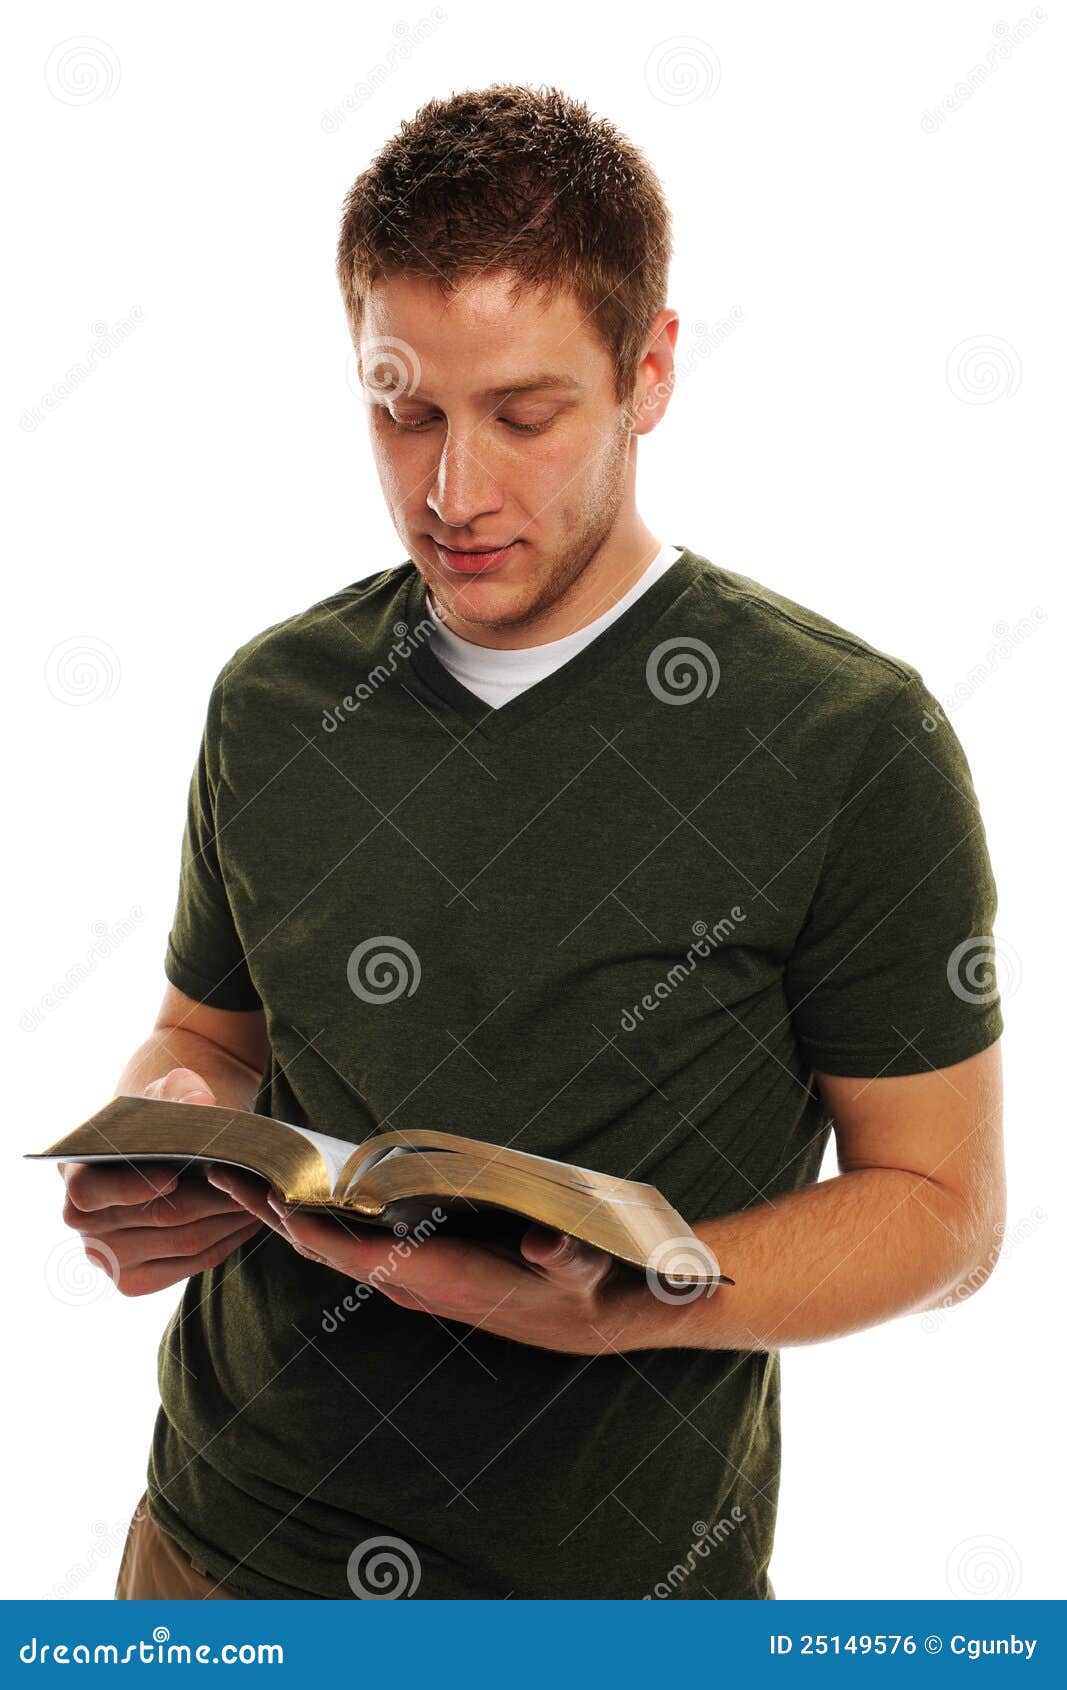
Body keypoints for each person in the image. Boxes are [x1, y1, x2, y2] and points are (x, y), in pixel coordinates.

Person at [59, 84, 1005, 1601]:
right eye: (402, 406)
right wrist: (160, 1137)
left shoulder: (848, 739)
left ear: (652, 371)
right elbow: (209, 1030)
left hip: (613, 1602)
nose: (451, 490)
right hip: (221, 1554)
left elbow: (947, 1215)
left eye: (523, 412)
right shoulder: (274, 698)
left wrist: (631, 1302)